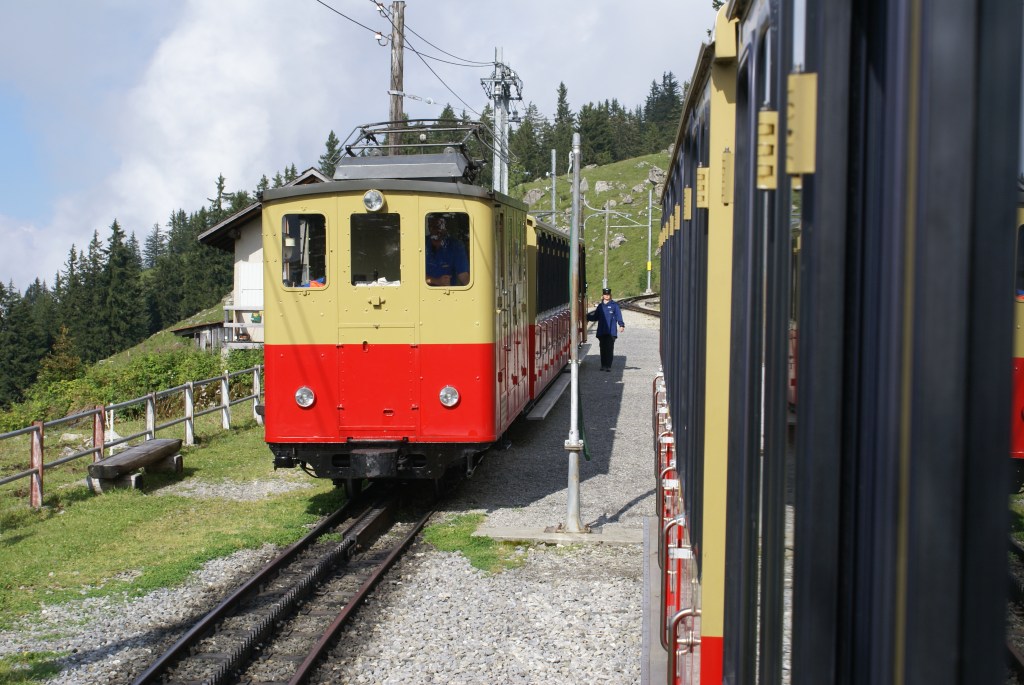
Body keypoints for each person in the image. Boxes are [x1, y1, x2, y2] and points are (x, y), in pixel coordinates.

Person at [587, 287, 625, 371]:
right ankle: (603, 365)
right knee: (602, 348)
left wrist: (621, 325)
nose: (606, 296)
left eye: (608, 295)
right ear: (603, 295)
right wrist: (587, 317)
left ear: (610, 295)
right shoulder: (600, 306)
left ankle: (608, 366)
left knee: (609, 348)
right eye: (605, 294)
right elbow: (595, 317)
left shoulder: (614, 305)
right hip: (602, 331)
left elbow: (619, 316)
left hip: (611, 331)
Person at [425, 216, 469, 286]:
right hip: (422, 292)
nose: (436, 230)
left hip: (449, 293)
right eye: (432, 226)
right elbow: (413, 275)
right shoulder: (421, 243)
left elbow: (463, 274)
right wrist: (437, 281)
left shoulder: (456, 246)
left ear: (446, 228)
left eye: (439, 226)